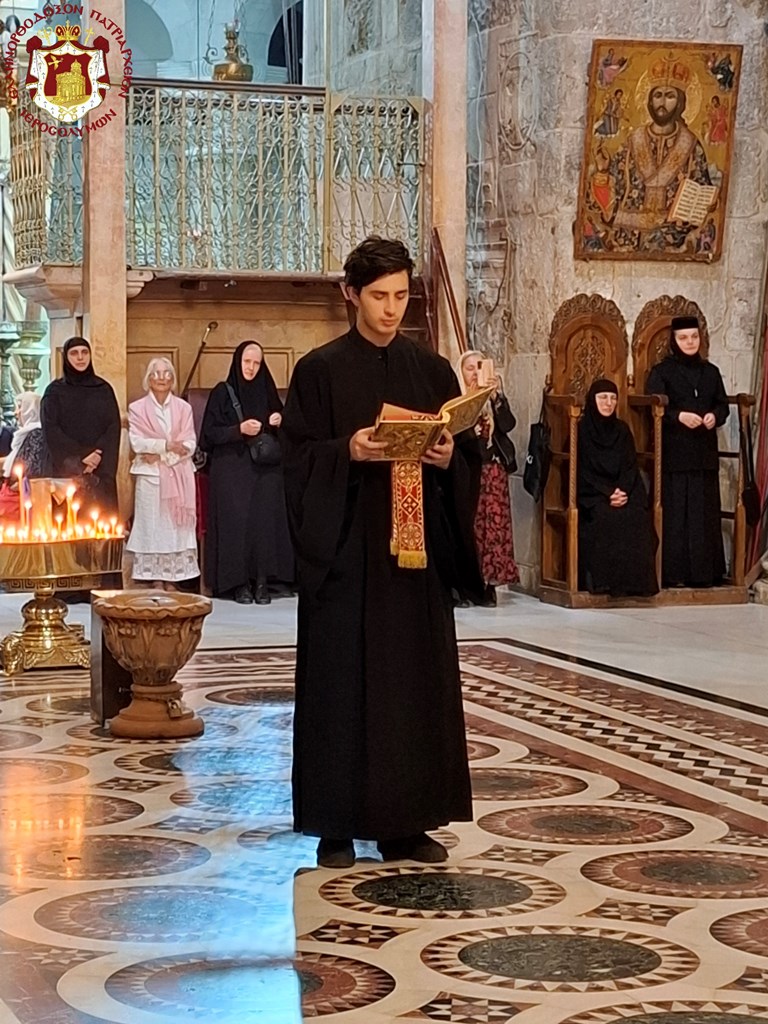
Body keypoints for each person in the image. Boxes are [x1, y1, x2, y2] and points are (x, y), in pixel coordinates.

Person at [281, 236, 483, 869]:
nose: (391, 309)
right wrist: (350, 451)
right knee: (343, 690)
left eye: (400, 295)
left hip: (412, 562)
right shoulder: (318, 372)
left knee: (411, 689)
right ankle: (336, 826)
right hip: (346, 556)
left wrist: (452, 458)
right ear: (350, 294)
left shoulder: (431, 371)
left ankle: (408, 822)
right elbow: (296, 464)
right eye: (378, 296)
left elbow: (466, 455)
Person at [201, 341, 293, 604]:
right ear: (237, 362)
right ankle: (239, 583)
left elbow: (288, 431)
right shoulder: (222, 392)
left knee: (264, 525)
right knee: (237, 526)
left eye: (256, 363)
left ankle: (262, 581)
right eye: (247, 362)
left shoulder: (268, 391)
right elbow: (207, 435)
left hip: (266, 470)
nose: (251, 368)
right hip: (232, 470)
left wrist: (279, 421)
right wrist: (237, 430)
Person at [646, 316, 729, 588]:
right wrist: (679, 416)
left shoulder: (711, 372)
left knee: (703, 515)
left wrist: (714, 417)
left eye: (694, 337)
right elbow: (654, 406)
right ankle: (675, 575)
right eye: (684, 338)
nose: (690, 342)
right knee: (678, 516)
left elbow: (722, 405)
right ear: (675, 341)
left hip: (704, 454)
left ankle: (705, 575)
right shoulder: (662, 372)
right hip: (676, 454)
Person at [577, 379, 658, 597]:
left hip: (623, 492)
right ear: (592, 401)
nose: (608, 403)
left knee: (637, 517)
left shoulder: (622, 430)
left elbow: (630, 465)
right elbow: (581, 470)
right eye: (603, 397)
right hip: (594, 494)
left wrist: (621, 490)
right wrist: (607, 493)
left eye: (613, 398)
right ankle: (605, 583)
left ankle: (635, 586)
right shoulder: (581, 430)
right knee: (604, 518)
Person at [126, 358, 198, 590]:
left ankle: (172, 578)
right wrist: (166, 446)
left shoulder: (184, 408)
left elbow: (189, 443)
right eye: (156, 373)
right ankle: (155, 578)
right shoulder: (136, 408)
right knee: (153, 527)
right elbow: (137, 443)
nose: (161, 378)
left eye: (166, 373)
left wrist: (161, 454)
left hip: (179, 474)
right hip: (150, 477)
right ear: (148, 378)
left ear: (173, 378)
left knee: (175, 528)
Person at [456, 350, 519, 606]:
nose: (474, 372)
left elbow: (508, 424)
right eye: (469, 368)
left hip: (492, 471)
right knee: (469, 527)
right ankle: (464, 584)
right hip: (467, 471)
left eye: (479, 367)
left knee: (493, 531)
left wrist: (496, 397)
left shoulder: (493, 402)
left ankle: (489, 584)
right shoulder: (457, 399)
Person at [41, 337, 121, 515]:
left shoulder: (103, 389)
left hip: (99, 470)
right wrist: (82, 456)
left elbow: (112, 427)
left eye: (84, 352)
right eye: (74, 353)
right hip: (67, 473)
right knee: (68, 523)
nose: (80, 358)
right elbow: (51, 430)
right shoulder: (54, 392)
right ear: (66, 357)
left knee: (100, 525)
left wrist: (97, 455)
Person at [4, 392, 44, 478]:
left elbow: (31, 469)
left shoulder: (36, 435)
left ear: (30, 410)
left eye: (19, 407)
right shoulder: (25, 433)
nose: (16, 412)